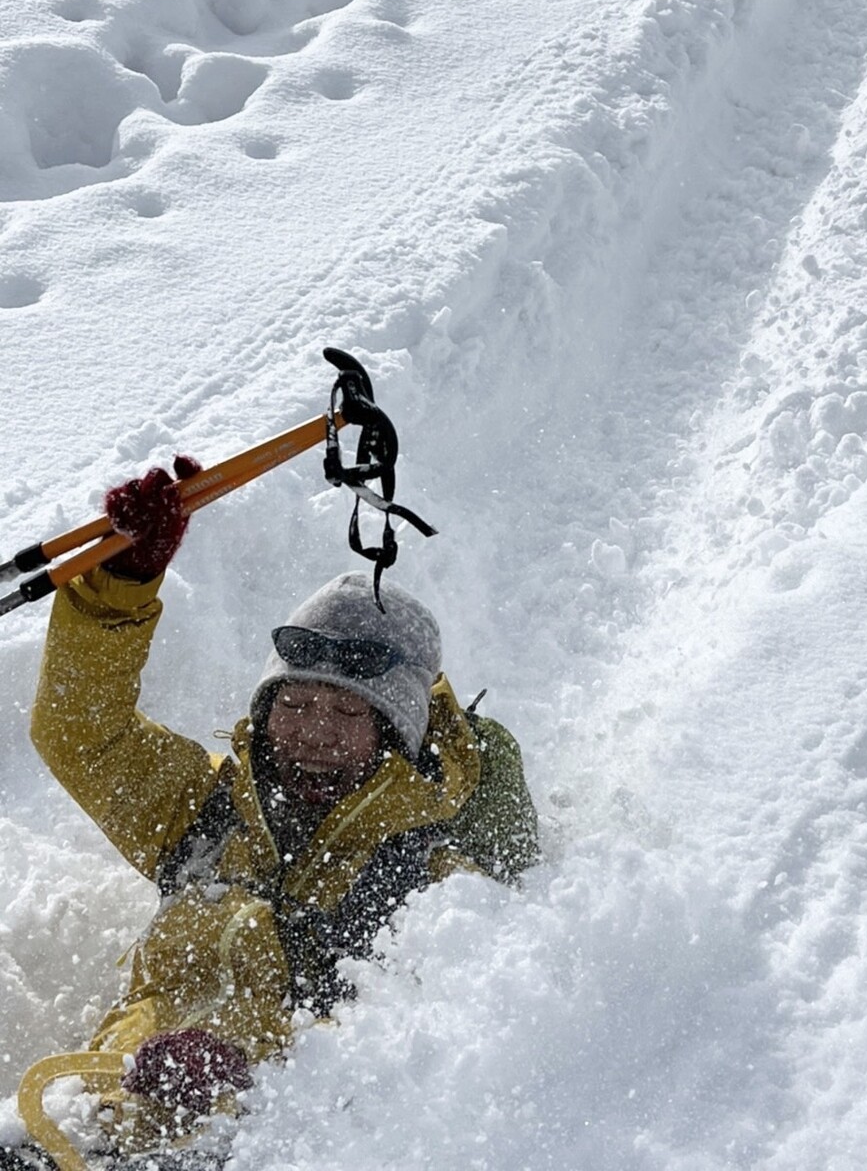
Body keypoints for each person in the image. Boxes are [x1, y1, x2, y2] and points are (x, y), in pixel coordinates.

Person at [5, 463, 538, 1169]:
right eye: (294, 703)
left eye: (348, 711)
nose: (314, 731)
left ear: (395, 735)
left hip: (267, 1148)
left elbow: (418, 1059)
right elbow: (80, 730)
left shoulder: (434, 887)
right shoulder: (204, 810)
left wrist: (247, 1069)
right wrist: (123, 582)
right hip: (102, 1121)